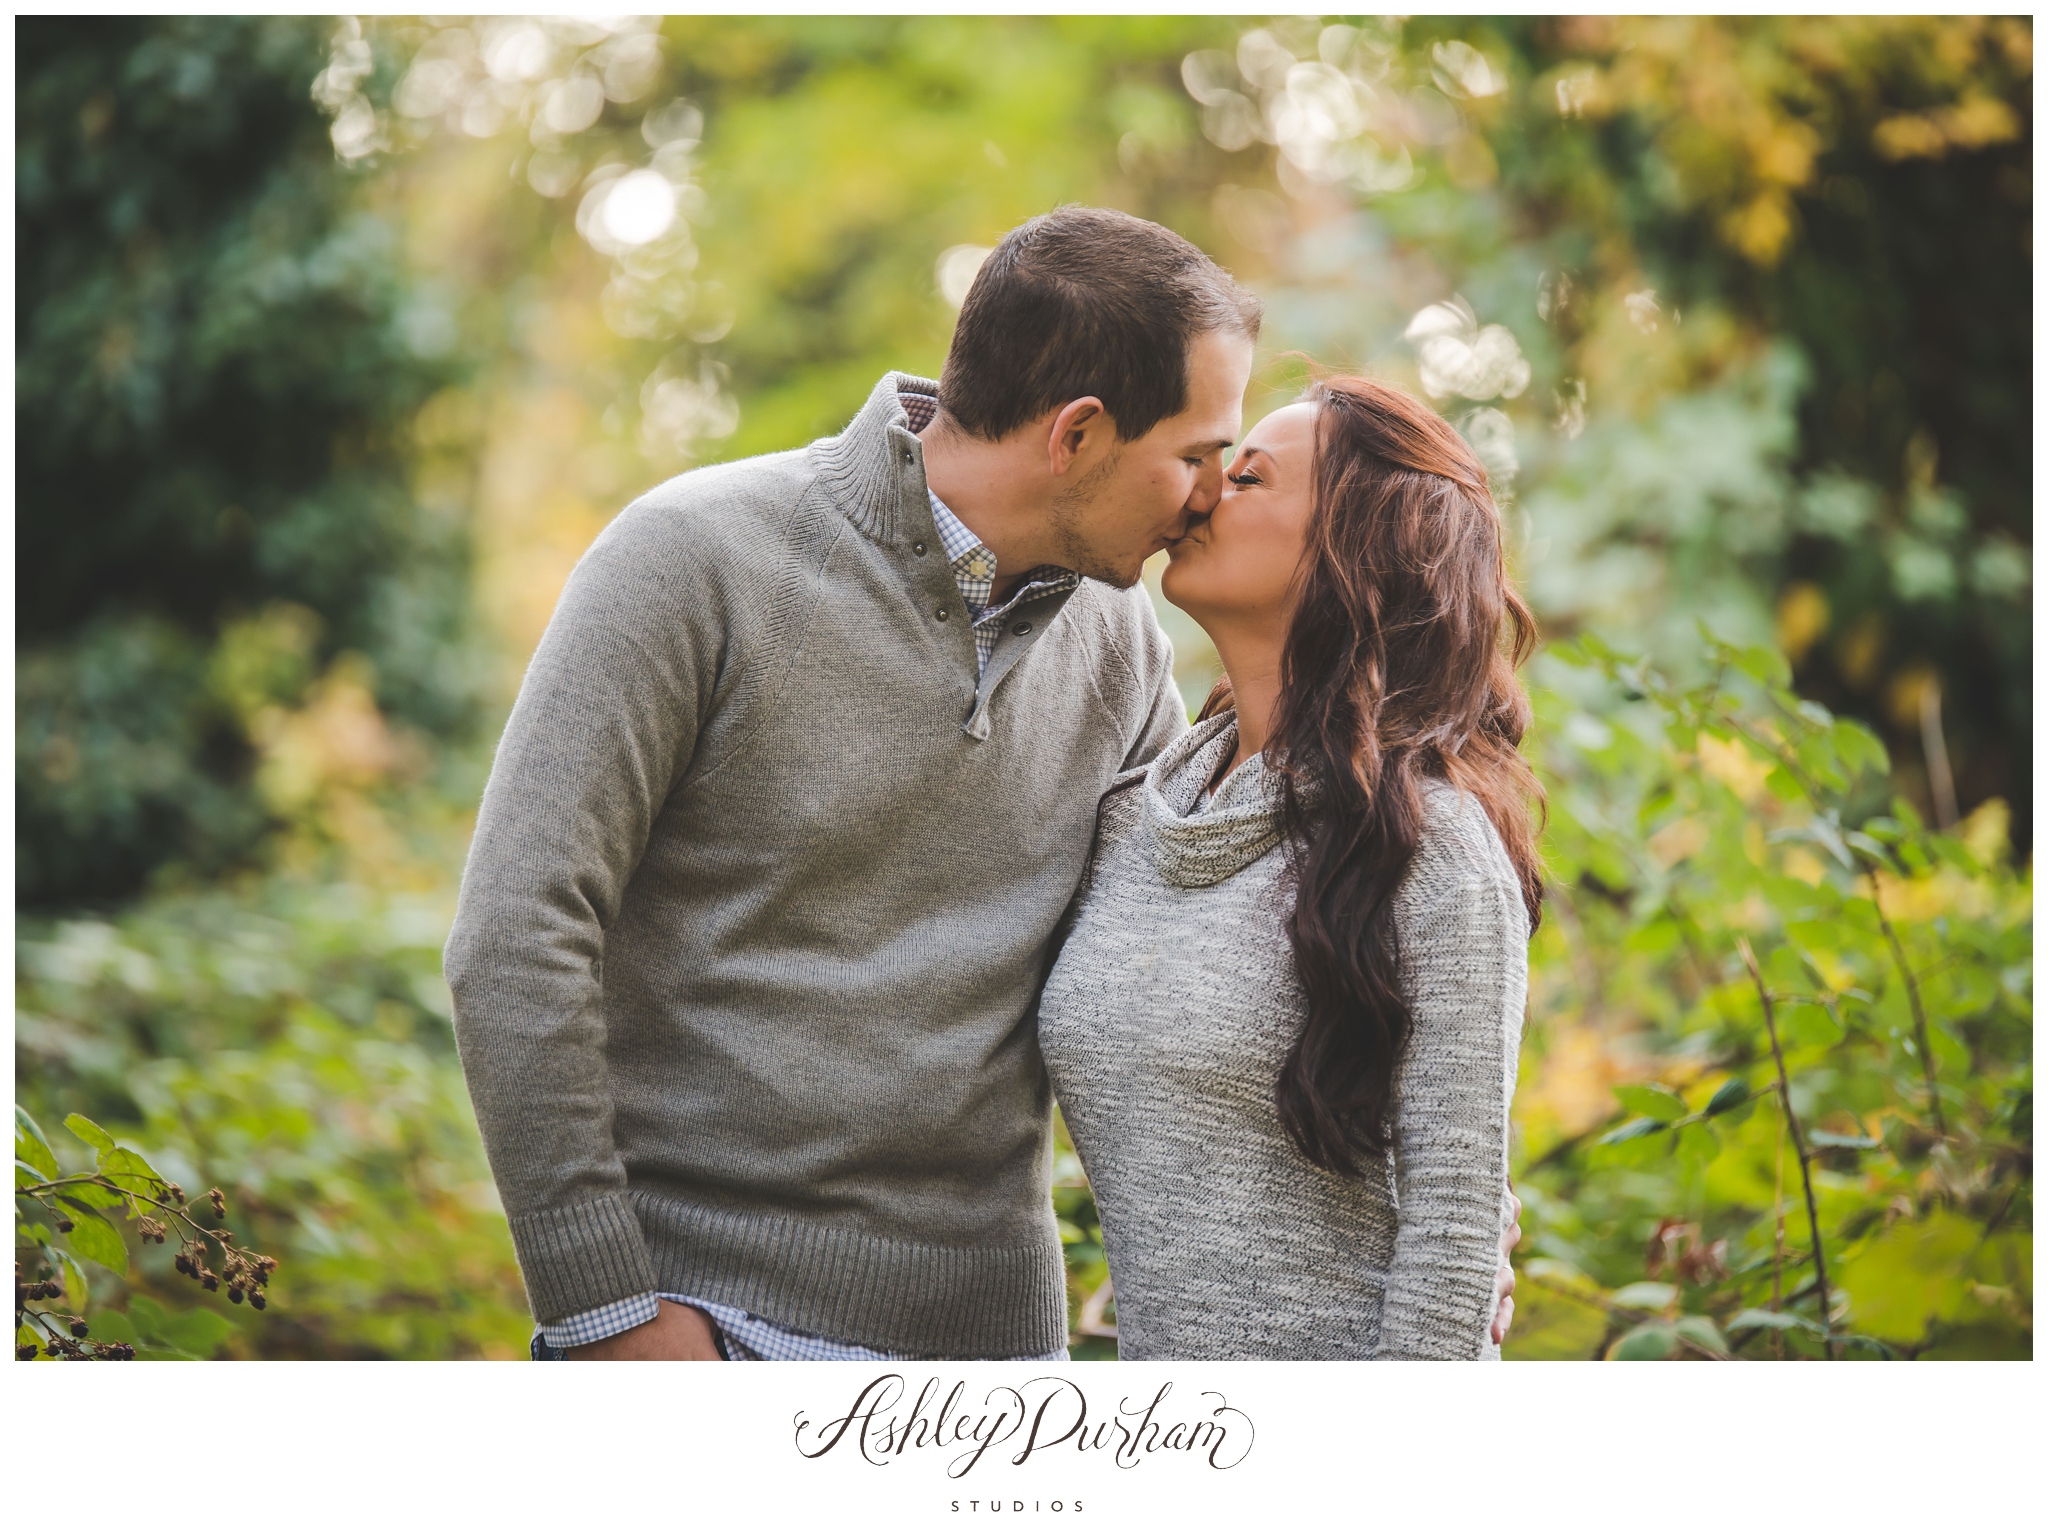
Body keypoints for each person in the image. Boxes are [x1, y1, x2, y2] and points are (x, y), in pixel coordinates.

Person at [446, 205, 1516, 1360]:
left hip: (999, 1371)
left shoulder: (1117, 647)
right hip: (701, 1327)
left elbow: (1239, 895)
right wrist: (603, 1308)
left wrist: (1449, 1232)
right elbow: (516, 934)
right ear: (1077, 435)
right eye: (1195, 456)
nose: (1201, 496)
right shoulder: (692, 560)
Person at [1039, 375, 1540, 1359]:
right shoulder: (1134, 822)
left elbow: (1449, 1246)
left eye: (1248, 479)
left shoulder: (1434, 850)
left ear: (1355, 545)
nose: (1199, 495)